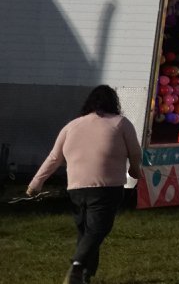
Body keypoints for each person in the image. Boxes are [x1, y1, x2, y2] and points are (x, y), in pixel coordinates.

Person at [26, 85, 144, 284]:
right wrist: (135, 171)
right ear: (114, 103)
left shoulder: (71, 126)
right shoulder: (120, 123)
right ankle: (77, 266)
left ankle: (84, 276)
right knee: (97, 231)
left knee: (87, 233)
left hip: (76, 188)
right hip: (107, 187)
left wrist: (35, 184)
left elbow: (54, 157)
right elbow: (135, 152)